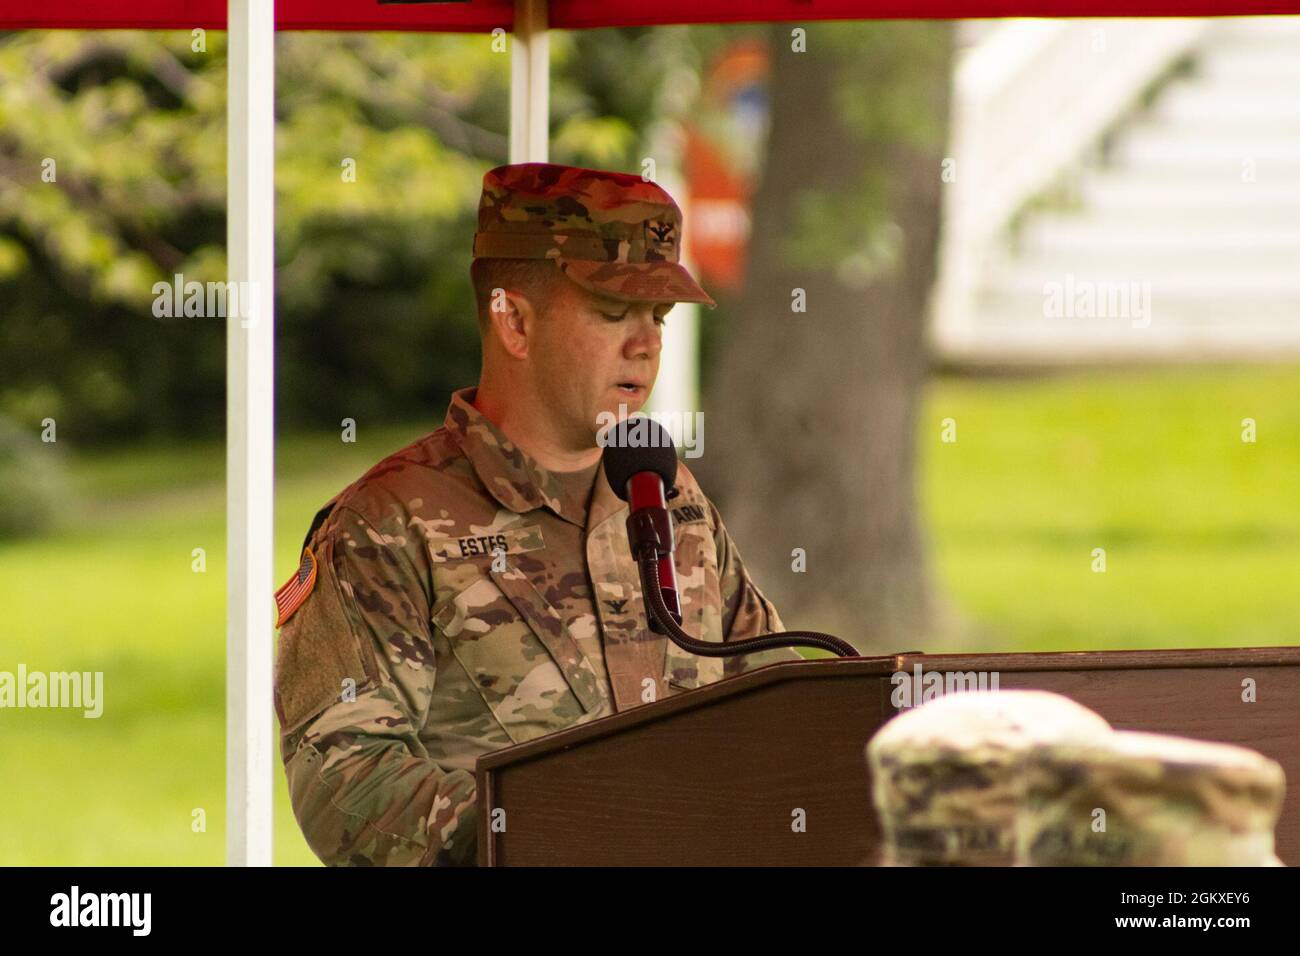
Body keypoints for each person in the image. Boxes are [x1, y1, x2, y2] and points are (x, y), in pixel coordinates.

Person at [273, 162, 799, 867]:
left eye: (657, 317)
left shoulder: (665, 494)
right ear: (514, 320)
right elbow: (346, 781)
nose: (646, 344)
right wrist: (552, 835)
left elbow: (778, 706)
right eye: (613, 314)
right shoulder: (387, 523)